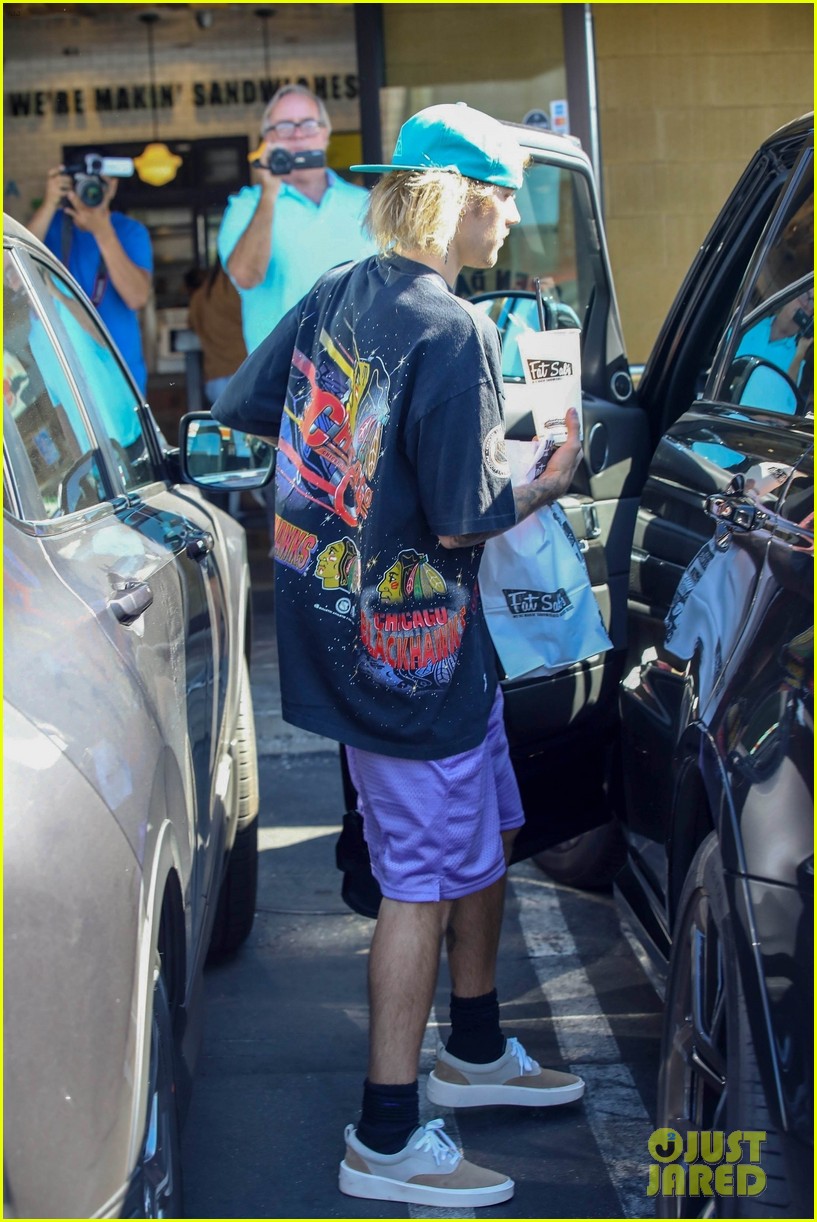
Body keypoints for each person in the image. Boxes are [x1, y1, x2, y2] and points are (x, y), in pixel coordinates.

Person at [212, 102, 585, 1209]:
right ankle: (383, 1135)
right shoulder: (453, 328)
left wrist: (366, 475)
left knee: (490, 830)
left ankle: (473, 1048)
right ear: (456, 199)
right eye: (502, 195)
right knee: (417, 885)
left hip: (356, 638)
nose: (512, 216)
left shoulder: (338, 290)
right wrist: (548, 479)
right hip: (409, 651)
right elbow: (466, 522)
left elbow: (246, 405)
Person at [217, 83, 376, 355]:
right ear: (268, 139)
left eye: (308, 125)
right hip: (283, 371)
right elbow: (245, 277)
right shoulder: (247, 206)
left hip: (361, 366)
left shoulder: (365, 203)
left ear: (325, 134)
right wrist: (269, 192)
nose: (298, 135)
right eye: (285, 127)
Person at [28, 166, 153, 395]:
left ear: (112, 186)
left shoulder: (130, 230)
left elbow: (137, 298)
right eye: (83, 182)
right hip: (62, 368)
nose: (90, 190)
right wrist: (49, 203)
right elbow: (8, 268)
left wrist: (103, 232)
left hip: (118, 369)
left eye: (97, 182)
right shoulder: (52, 225)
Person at [186, 262, 247, 405]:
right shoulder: (239, 290)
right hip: (243, 373)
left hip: (215, 380)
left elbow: (191, 325)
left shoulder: (198, 298)